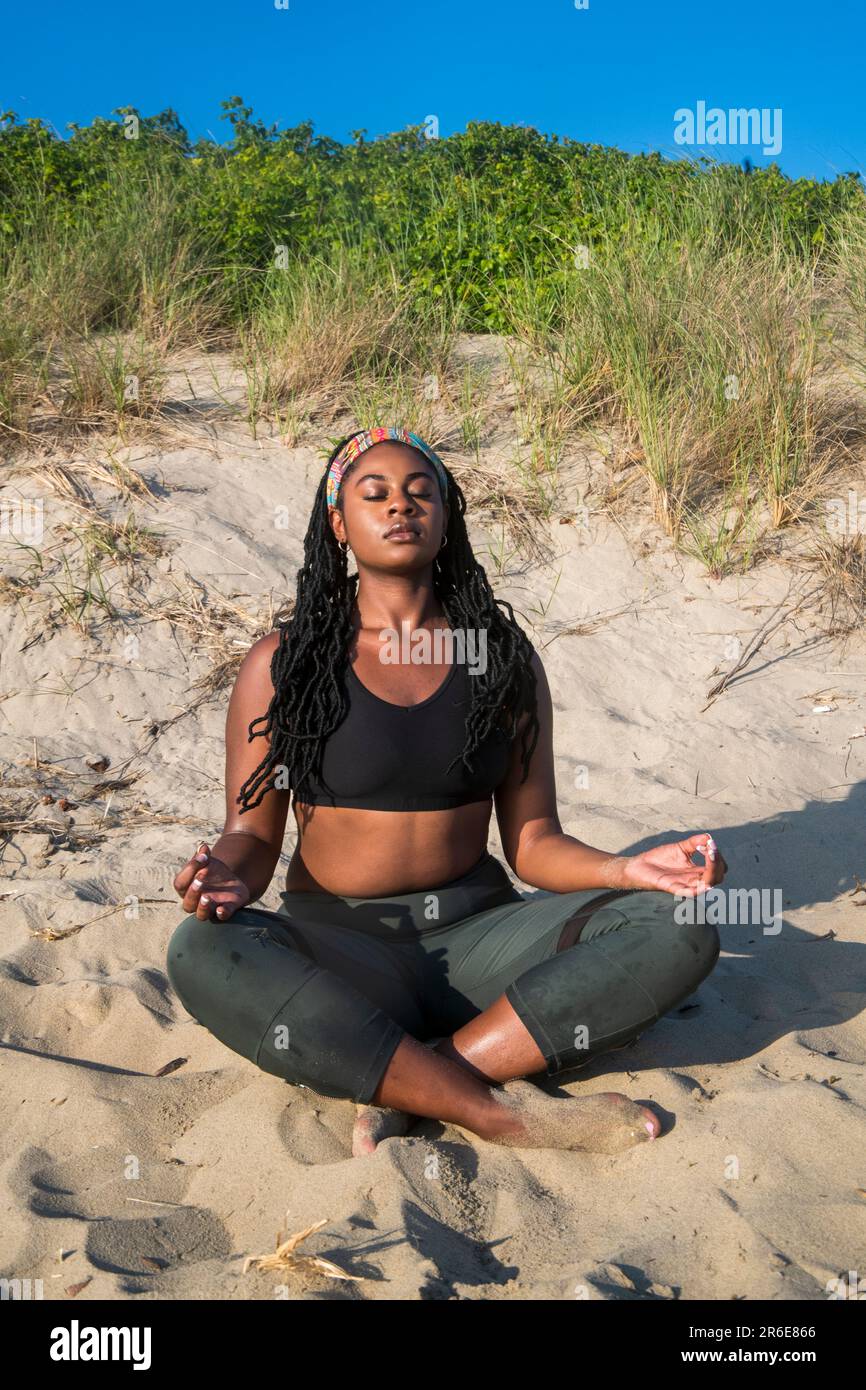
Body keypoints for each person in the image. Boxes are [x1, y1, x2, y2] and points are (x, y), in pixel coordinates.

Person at [166, 426, 726, 1157]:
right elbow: (253, 836)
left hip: (480, 940)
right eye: (375, 495)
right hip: (340, 946)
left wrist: (630, 870)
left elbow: (534, 842)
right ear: (339, 523)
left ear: (445, 516)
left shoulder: (500, 659)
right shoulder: (285, 664)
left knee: (677, 926)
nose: (401, 506)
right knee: (199, 952)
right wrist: (223, 882)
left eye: (420, 492)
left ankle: (423, 1078)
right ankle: (503, 1114)